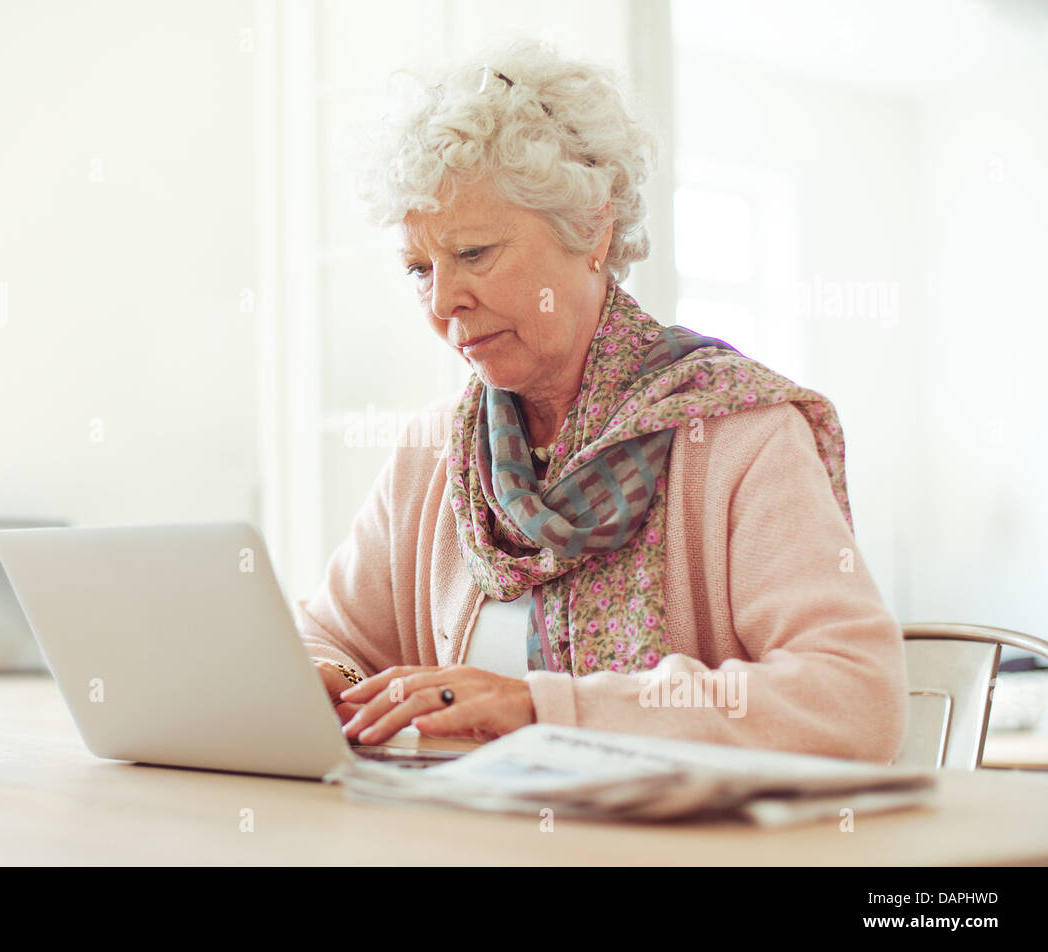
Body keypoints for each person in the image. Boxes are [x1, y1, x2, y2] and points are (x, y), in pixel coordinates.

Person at [297, 39, 907, 762]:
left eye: (474, 254)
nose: (444, 300)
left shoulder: (743, 435)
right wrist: (332, 683)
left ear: (592, 228)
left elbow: (854, 697)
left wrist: (544, 709)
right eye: (418, 267)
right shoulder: (437, 452)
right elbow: (325, 637)